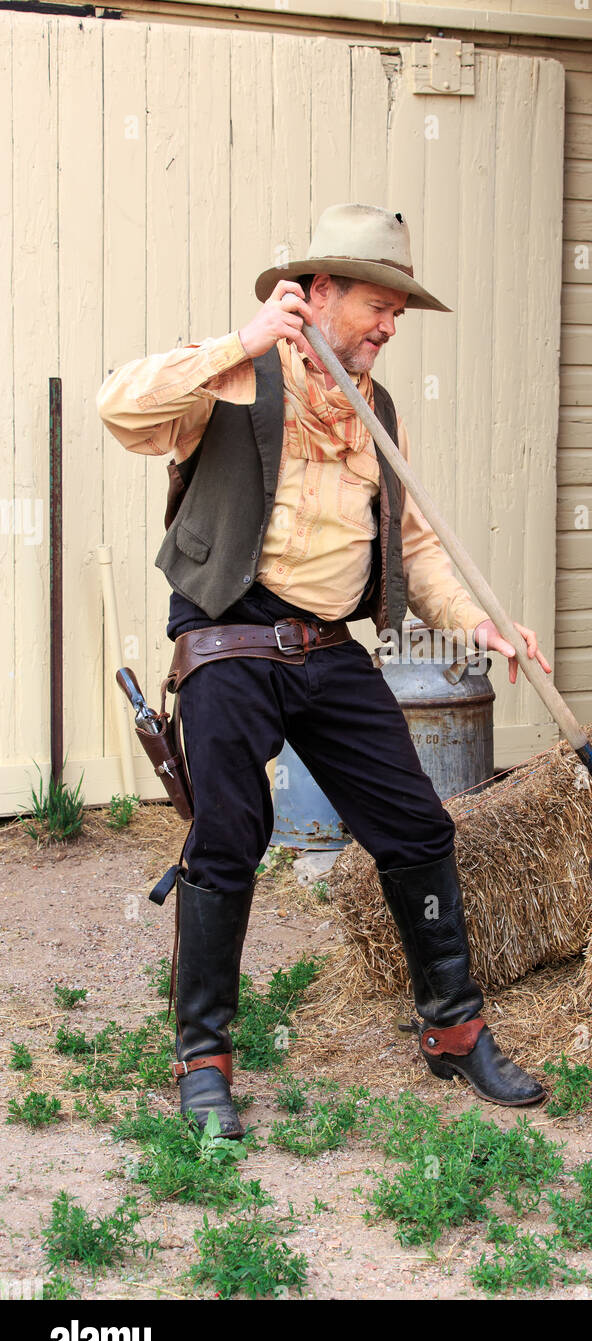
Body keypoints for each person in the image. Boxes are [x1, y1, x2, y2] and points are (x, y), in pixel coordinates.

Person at [97, 203, 552, 1138]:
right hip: (228, 636)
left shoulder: (377, 412)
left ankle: (455, 1028)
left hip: (328, 649)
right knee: (227, 835)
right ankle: (205, 1059)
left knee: (417, 825)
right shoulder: (233, 375)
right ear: (319, 293)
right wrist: (240, 338)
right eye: (379, 307)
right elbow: (119, 408)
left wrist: (485, 626)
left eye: (398, 315)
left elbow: (416, 549)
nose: (389, 327)